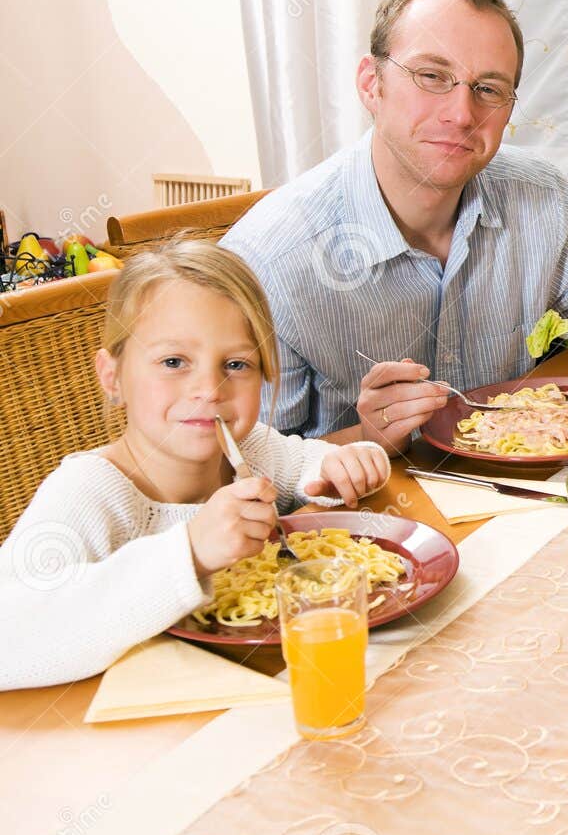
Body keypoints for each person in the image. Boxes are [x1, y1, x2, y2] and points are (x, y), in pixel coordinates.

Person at [222, 0, 568, 452]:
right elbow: (241, 468)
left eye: (488, 89)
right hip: (377, 518)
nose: (462, 114)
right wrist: (367, 437)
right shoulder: (267, 262)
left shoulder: (538, 194)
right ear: (371, 84)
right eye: (431, 76)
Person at [0, 242, 390, 691]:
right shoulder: (89, 489)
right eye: (173, 362)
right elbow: (12, 634)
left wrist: (348, 464)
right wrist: (190, 551)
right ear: (112, 377)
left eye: (236, 364)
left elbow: (311, 461)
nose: (209, 388)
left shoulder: (250, 451)